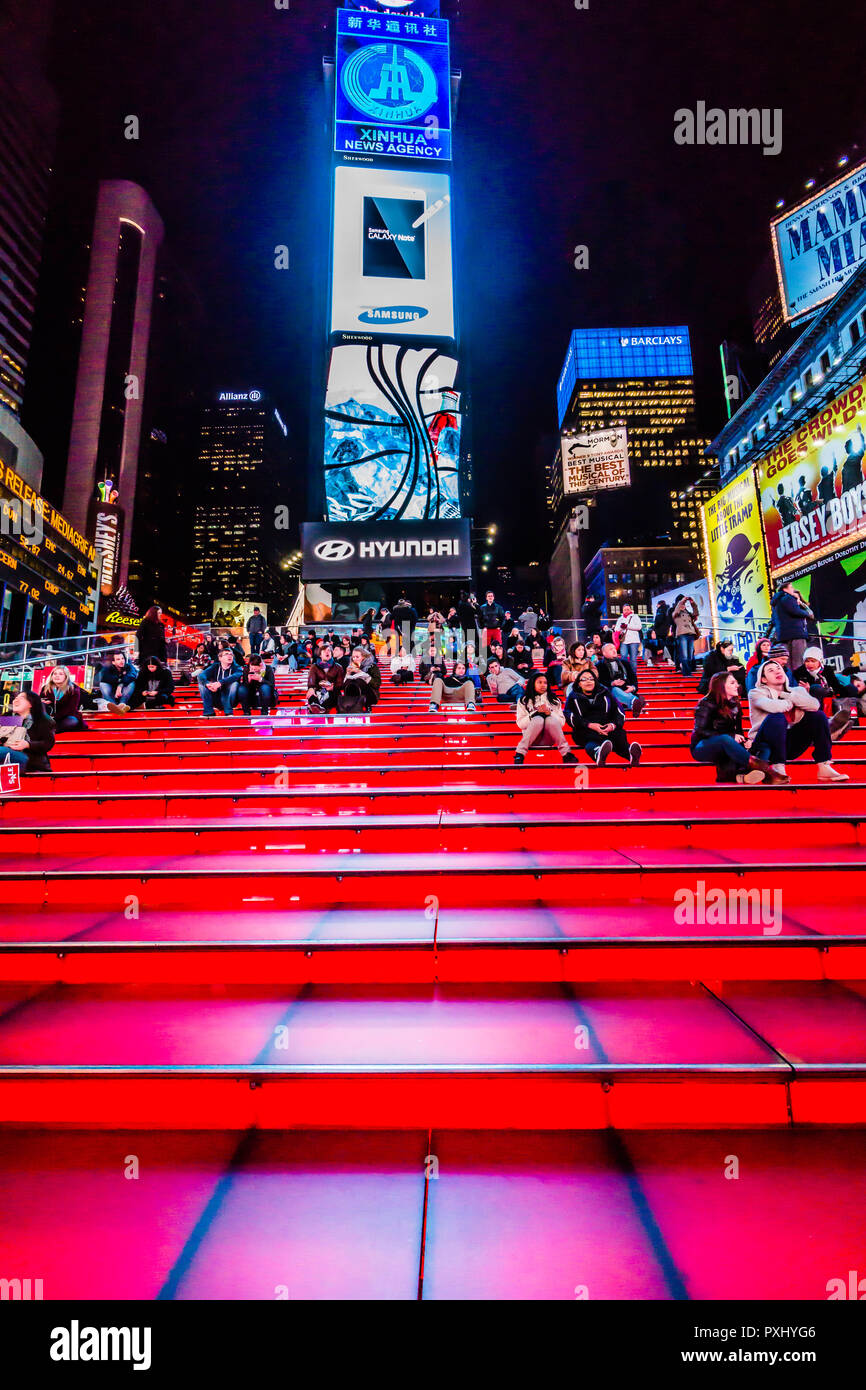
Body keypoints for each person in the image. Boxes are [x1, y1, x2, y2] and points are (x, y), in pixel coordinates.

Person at [747, 658, 848, 781]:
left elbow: (814, 705)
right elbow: (773, 707)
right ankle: (778, 768)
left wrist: (784, 694)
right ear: (763, 679)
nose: (777, 672)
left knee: (818, 716)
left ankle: (824, 766)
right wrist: (791, 702)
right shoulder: (756, 693)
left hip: (791, 743)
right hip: (766, 745)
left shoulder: (797, 691)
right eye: (771, 671)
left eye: (779, 668)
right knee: (777, 716)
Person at [691, 672, 786, 785]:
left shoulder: (735, 704)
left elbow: (738, 731)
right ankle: (766, 771)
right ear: (721, 686)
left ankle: (744, 775)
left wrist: (745, 741)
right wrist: (731, 737)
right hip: (703, 746)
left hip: (728, 743)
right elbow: (700, 731)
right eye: (732, 682)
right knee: (725, 739)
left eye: (736, 682)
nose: (737, 685)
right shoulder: (705, 704)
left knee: (763, 746)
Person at [564, 667, 641, 767]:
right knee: (589, 739)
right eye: (584, 679)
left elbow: (619, 711)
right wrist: (589, 725)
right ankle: (598, 753)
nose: (588, 681)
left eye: (591, 679)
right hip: (586, 728)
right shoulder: (573, 696)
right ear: (579, 683)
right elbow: (568, 714)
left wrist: (613, 725)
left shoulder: (605, 693)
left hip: (606, 726)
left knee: (618, 736)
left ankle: (630, 754)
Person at [514, 671, 578, 766]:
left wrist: (550, 713)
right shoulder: (523, 700)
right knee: (538, 719)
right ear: (533, 684)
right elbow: (520, 724)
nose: (543, 685)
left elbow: (561, 723)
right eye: (539, 682)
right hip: (531, 737)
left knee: (550, 719)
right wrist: (534, 713)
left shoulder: (554, 700)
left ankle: (566, 754)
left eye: (545, 683)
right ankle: (520, 753)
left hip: (550, 737)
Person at [792, 646, 855, 740]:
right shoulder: (799, 672)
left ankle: (848, 718)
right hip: (810, 696)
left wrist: (844, 690)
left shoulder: (827, 670)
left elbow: (835, 685)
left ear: (820, 661)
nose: (809, 664)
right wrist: (806, 690)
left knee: (851, 689)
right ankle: (824, 724)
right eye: (807, 661)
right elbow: (795, 690)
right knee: (816, 689)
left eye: (813, 661)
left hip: (827, 691)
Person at [0, 689, 55, 774]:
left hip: (30, 759)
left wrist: (28, 744)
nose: (15, 700)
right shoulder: (7, 717)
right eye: (15, 698)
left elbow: (48, 743)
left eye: (21, 698)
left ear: (31, 703)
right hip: (6, 755)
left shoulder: (42, 720)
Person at [771, 580, 814, 671]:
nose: (793, 589)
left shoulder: (776, 602)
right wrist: (807, 614)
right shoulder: (788, 598)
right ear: (785, 588)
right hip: (796, 634)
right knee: (798, 661)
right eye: (791, 587)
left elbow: (774, 619)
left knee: (787, 663)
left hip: (783, 635)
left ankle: (790, 681)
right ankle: (798, 682)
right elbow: (795, 611)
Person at [597, 642, 646, 716]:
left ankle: (634, 702)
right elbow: (599, 682)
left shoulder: (624, 662)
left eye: (614, 648)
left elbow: (633, 677)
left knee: (622, 691)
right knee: (615, 690)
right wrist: (612, 683)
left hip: (626, 689)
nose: (614, 650)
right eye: (611, 649)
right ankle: (634, 701)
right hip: (610, 691)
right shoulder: (599, 665)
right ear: (604, 653)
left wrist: (633, 687)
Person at [41, 665, 88, 732]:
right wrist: (43, 703)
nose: (57, 676)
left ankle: (51, 730)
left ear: (66, 676)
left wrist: (55, 717)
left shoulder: (73, 689)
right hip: (49, 717)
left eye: (60, 674)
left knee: (71, 721)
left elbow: (71, 708)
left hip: (66, 716)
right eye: (55, 674)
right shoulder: (45, 688)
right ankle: (49, 728)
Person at [198, 648, 242, 717]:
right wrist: (208, 684)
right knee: (202, 685)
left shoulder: (237, 667)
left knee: (234, 684)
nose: (229, 656)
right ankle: (209, 712)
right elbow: (201, 675)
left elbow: (235, 676)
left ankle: (228, 712)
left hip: (230, 699)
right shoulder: (215, 666)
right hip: (216, 696)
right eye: (226, 654)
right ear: (220, 658)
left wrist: (220, 683)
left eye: (231, 654)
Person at [307, 645, 344, 712]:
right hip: (319, 691)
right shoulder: (314, 667)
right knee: (312, 694)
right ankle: (316, 706)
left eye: (329, 650)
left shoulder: (338, 667)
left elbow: (340, 684)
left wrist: (333, 687)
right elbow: (311, 682)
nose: (327, 652)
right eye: (324, 651)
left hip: (332, 692)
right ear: (320, 654)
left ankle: (320, 708)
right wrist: (311, 688)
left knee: (332, 695)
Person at [671, 593, 700, 675]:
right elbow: (676, 611)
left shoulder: (688, 613)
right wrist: (681, 602)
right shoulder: (675, 613)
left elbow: (696, 613)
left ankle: (688, 672)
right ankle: (687, 673)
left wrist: (692, 603)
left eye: (685, 603)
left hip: (691, 634)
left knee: (690, 656)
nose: (684, 605)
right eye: (682, 603)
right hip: (682, 634)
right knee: (684, 655)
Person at [653, 600, 675, 665]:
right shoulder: (668, 609)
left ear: (659, 604)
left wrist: (654, 628)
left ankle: (666, 659)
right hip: (666, 630)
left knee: (661, 645)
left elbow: (658, 620)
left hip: (660, 631)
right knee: (666, 644)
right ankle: (668, 659)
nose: (656, 606)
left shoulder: (660, 610)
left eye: (657, 605)